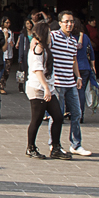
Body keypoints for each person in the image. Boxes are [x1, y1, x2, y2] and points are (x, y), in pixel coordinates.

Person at [50, 11, 93, 156]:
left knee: (77, 113)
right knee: (57, 115)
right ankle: (53, 144)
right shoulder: (53, 36)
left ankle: (76, 144)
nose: (69, 24)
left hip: (70, 82)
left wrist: (78, 77)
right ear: (60, 23)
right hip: (57, 82)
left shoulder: (73, 40)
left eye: (71, 21)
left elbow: (74, 60)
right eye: (66, 21)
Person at [25, 17, 63, 159]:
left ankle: (56, 147)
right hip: (38, 88)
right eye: (48, 33)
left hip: (48, 88)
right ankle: (31, 147)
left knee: (58, 117)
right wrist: (46, 88)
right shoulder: (38, 48)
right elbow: (37, 70)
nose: (50, 36)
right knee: (37, 119)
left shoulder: (44, 47)